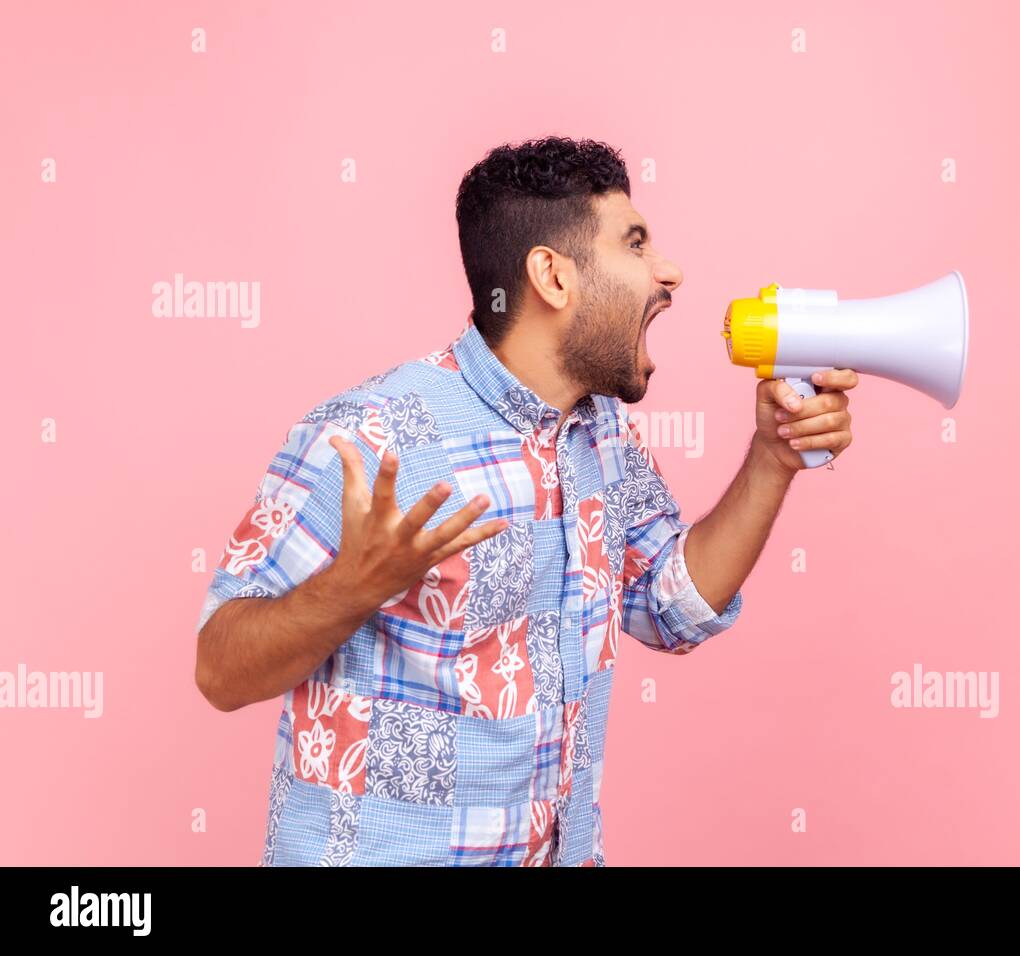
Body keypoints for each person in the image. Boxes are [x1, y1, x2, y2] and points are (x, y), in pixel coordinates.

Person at [194, 135, 858, 866]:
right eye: (635, 244)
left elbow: (671, 606)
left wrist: (773, 459)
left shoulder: (603, 434)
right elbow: (220, 670)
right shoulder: (370, 434)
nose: (669, 273)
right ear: (552, 275)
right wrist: (349, 591)